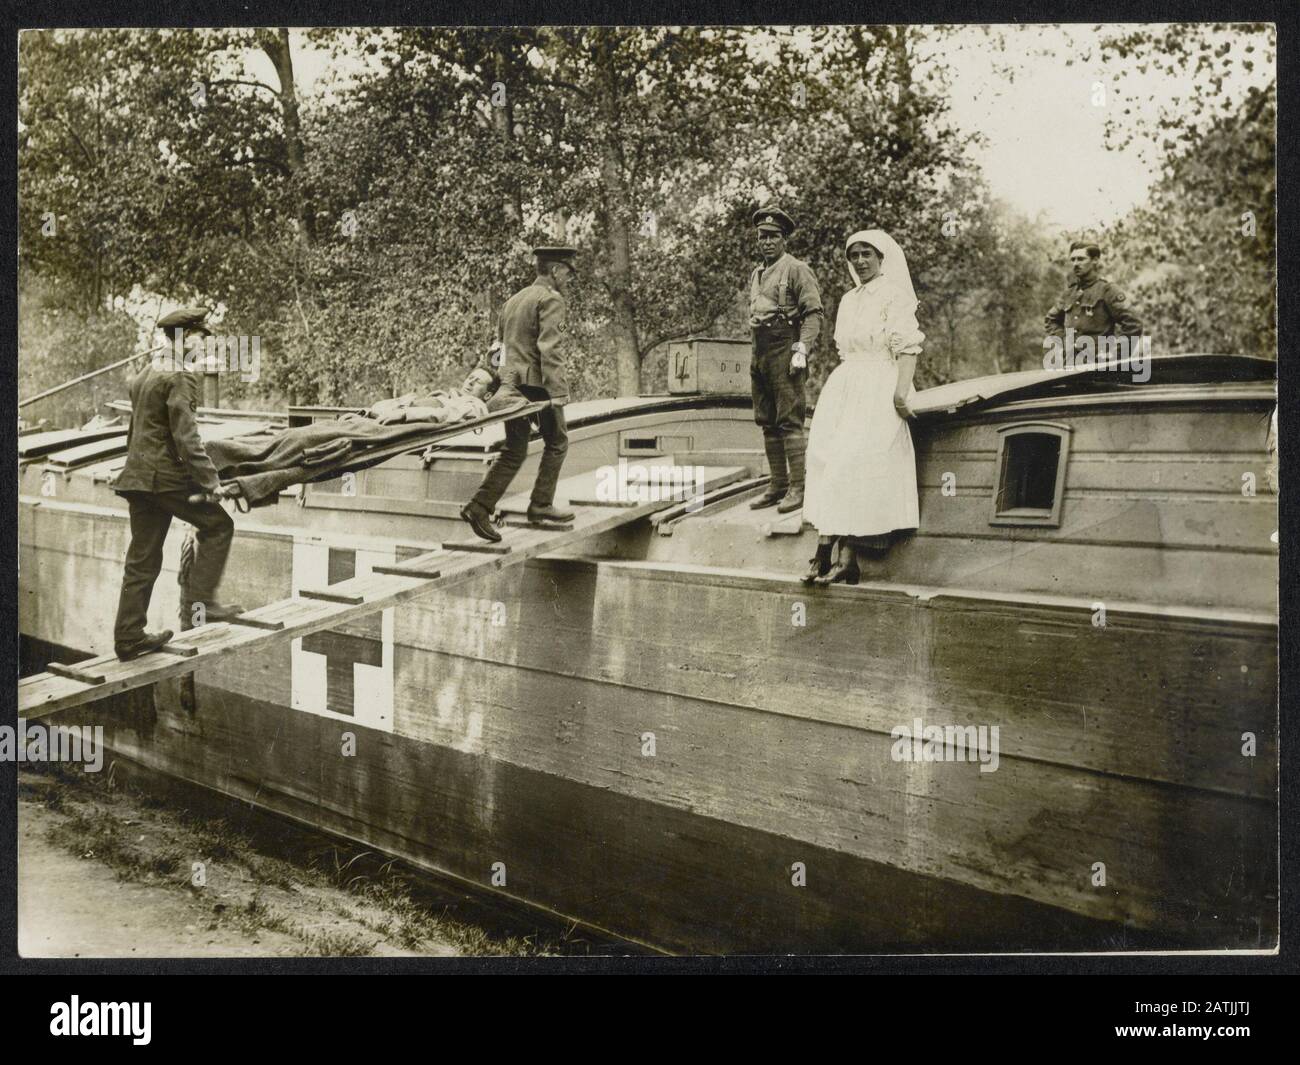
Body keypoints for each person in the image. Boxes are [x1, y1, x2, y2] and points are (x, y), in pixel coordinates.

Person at [111, 306, 243, 659]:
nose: (203, 348)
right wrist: (210, 481)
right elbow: (187, 438)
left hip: (137, 478)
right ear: (183, 338)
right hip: (163, 478)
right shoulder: (180, 376)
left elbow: (138, 432)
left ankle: (128, 636)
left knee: (142, 558)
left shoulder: (145, 373)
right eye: (200, 340)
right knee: (219, 525)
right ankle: (204, 606)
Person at [802, 230, 923, 585]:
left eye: (866, 254)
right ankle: (824, 550)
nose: (860, 261)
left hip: (880, 385)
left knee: (854, 462)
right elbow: (845, 349)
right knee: (827, 456)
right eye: (853, 255)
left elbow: (907, 348)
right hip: (848, 384)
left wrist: (901, 394)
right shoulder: (848, 300)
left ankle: (847, 557)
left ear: (881, 257)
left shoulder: (895, 297)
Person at [459, 246, 579, 542]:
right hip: (537, 387)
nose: (569, 278)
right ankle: (540, 505)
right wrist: (558, 393)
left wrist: (500, 381)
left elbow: (498, 348)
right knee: (558, 441)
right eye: (567, 271)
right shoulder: (552, 300)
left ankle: (479, 507)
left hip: (511, 387)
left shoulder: (513, 301)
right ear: (554, 270)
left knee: (515, 449)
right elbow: (550, 349)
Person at [745, 205, 824, 514]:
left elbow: (813, 314)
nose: (767, 242)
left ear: (784, 239)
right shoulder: (757, 273)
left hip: (785, 349)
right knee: (766, 420)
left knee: (790, 421)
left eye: (773, 236)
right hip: (760, 351)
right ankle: (777, 485)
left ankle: (798, 488)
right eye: (762, 236)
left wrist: (801, 351)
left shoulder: (796, 269)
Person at [1044, 240, 1142, 345]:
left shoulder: (1108, 290)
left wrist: (1115, 354)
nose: (1076, 264)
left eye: (1081, 259)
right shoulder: (1069, 293)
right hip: (1072, 360)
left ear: (1095, 260)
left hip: (1099, 360)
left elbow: (1134, 324)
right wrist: (1064, 343)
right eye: (1073, 259)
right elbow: (1050, 320)